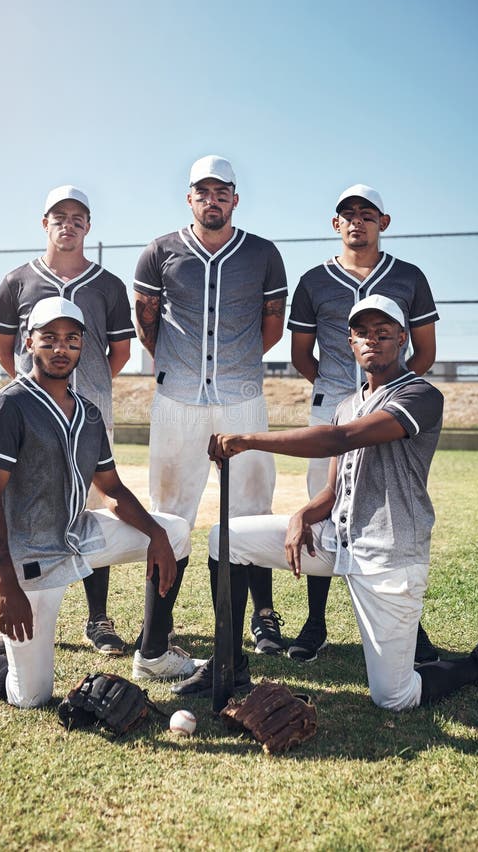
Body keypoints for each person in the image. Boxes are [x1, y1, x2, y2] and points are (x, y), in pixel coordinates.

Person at [172, 295, 478, 706]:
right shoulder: (346, 404)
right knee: (227, 537)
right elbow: (335, 490)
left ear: (402, 339)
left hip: (389, 555)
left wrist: (246, 440)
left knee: (395, 697)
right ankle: (228, 662)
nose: (373, 340)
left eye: (383, 333)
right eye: (362, 333)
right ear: (350, 342)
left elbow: (342, 438)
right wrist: (303, 514)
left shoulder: (422, 394)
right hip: (336, 541)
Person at [0, 297, 202, 707]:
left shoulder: (89, 413)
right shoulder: (8, 405)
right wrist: (6, 585)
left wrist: (156, 534)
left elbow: (112, 489)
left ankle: (153, 654)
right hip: (31, 557)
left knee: (176, 529)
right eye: (50, 338)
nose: (61, 348)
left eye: (71, 339)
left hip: (79, 535)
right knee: (29, 695)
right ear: (29, 342)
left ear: (82, 347)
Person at [134, 155, 288, 654]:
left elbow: (271, 328)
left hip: (242, 399)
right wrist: (182, 367)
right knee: (169, 513)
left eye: (222, 192)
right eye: (203, 191)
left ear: (235, 199)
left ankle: (258, 618)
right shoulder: (159, 251)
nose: (213, 199)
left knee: (250, 514)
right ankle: (159, 625)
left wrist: (232, 366)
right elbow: (147, 323)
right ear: (190, 198)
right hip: (177, 400)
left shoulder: (263, 253)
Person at [288, 184, 440, 664]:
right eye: (347, 214)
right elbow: (299, 354)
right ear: (336, 224)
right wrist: (345, 396)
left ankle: (408, 628)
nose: (357, 221)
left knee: (390, 516)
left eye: (367, 214)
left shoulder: (409, 276)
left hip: (393, 412)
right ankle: (316, 623)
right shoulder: (315, 279)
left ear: (384, 222)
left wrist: (391, 399)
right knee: (324, 511)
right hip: (334, 406)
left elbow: (426, 350)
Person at [0, 185, 136, 656]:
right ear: (44, 222)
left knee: (92, 511)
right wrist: (35, 398)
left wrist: (76, 395)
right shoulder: (16, 280)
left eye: (77, 217)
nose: (67, 224)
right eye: (59, 216)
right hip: (33, 418)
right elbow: (2, 346)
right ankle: (16, 601)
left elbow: (120, 352)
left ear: (88, 226)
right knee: (25, 508)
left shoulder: (108, 285)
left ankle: (98, 618)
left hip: (88, 416)